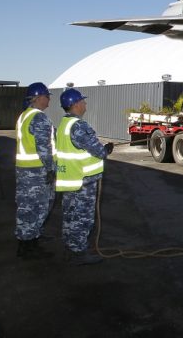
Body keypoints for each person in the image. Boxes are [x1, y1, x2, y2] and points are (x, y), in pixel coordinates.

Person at [55, 88, 114, 266]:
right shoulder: (79, 126)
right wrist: (106, 149)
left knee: (70, 216)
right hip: (82, 181)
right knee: (82, 218)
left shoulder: (64, 124)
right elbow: (98, 151)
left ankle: (70, 248)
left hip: (70, 179)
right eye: (83, 101)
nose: (85, 104)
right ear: (76, 104)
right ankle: (78, 252)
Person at [14, 82, 56, 260]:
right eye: (47, 96)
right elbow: (44, 148)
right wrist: (51, 169)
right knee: (37, 207)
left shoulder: (24, 115)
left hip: (25, 170)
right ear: (38, 98)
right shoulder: (39, 117)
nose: (48, 100)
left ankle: (30, 238)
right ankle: (28, 245)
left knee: (27, 206)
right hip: (37, 172)